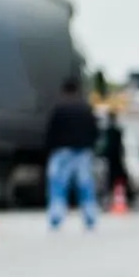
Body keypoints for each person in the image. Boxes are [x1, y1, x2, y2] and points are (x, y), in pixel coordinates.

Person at [44, 77, 100, 230]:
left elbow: (50, 132)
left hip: (62, 152)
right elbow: (95, 130)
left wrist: (50, 149)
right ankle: (90, 217)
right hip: (83, 152)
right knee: (85, 186)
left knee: (58, 186)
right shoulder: (86, 108)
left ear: (64, 91)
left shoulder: (59, 108)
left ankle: (56, 217)